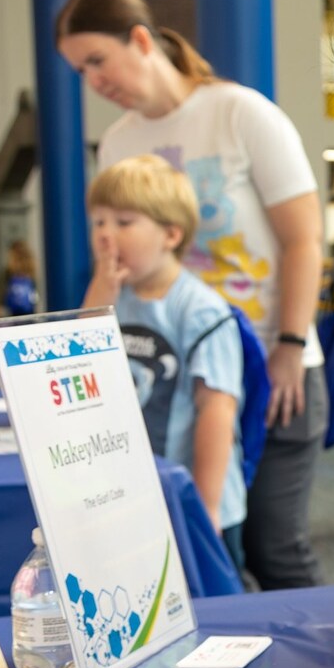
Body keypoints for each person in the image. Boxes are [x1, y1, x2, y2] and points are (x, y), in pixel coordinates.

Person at [57, 0, 327, 590]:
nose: (93, 80)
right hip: (177, 372)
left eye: (97, 59)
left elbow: (304, 239)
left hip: (267, 356)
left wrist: (288, 343)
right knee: (196, 546)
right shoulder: (120, 141)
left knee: (273, 548)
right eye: (80, 70)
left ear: (142, 39)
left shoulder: (239, 112)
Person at [82, 155, 248, 569]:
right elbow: (76, 359)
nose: (105, 236)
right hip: (133, 495)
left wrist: (206, 508)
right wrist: (101, 291)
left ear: (171, 234)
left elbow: (217, 410)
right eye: (98, 222)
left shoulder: (200, 310)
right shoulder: (111, 297)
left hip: (192, 496)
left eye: (123, 222)